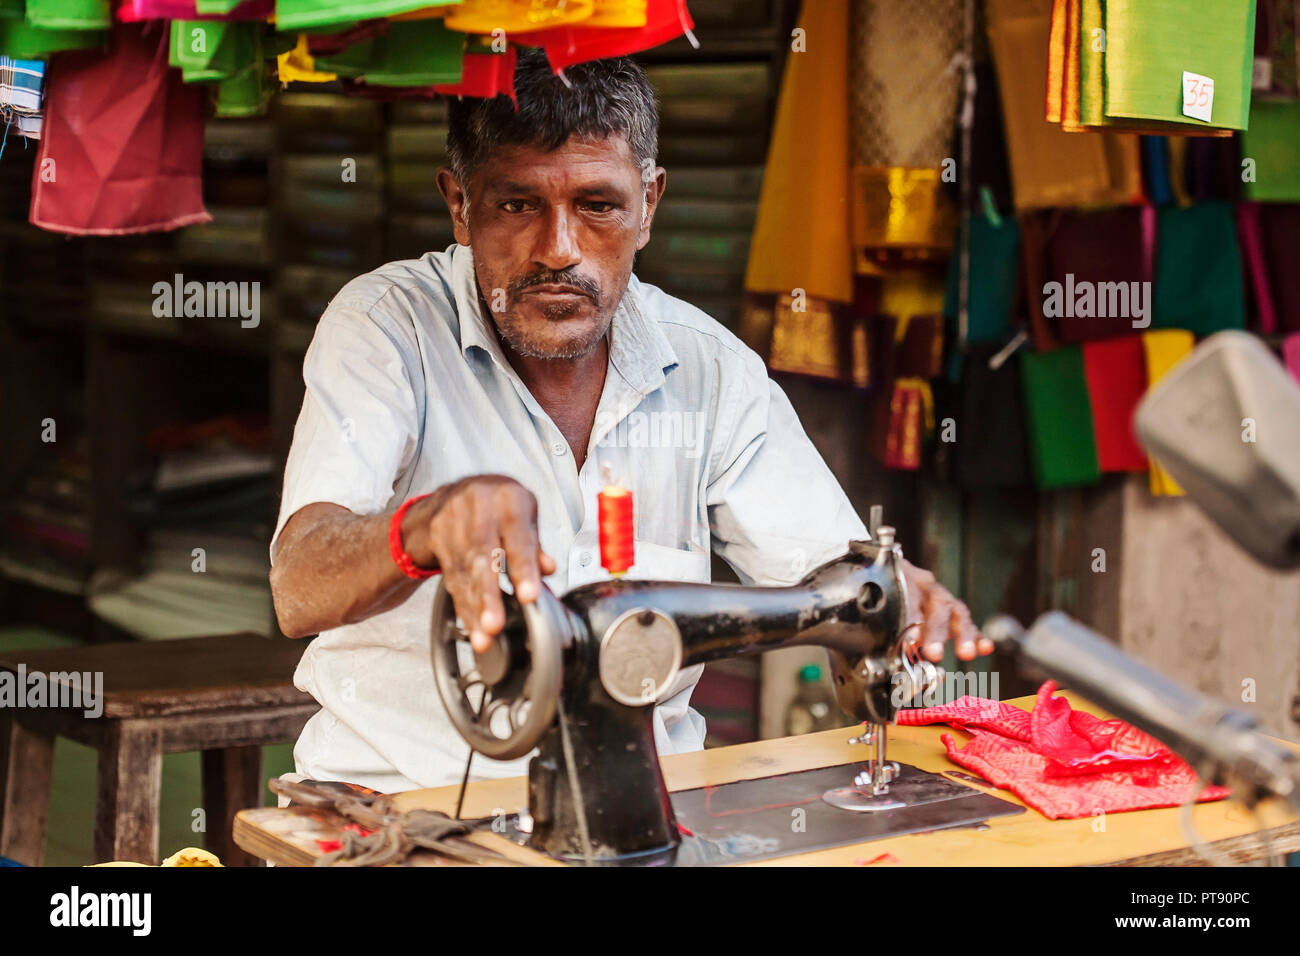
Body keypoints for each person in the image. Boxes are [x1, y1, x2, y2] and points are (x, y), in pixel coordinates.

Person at [269, 50, 992, 794]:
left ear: (650, 204)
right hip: (398, 810)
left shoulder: (709, 370)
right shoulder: (387, 328)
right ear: (459, 205)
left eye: (598, 206)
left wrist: (896, 597)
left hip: (643, 812)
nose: (558, 250)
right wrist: (420, 528)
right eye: (516, 205)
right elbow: (298, 589)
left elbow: (831, 575)